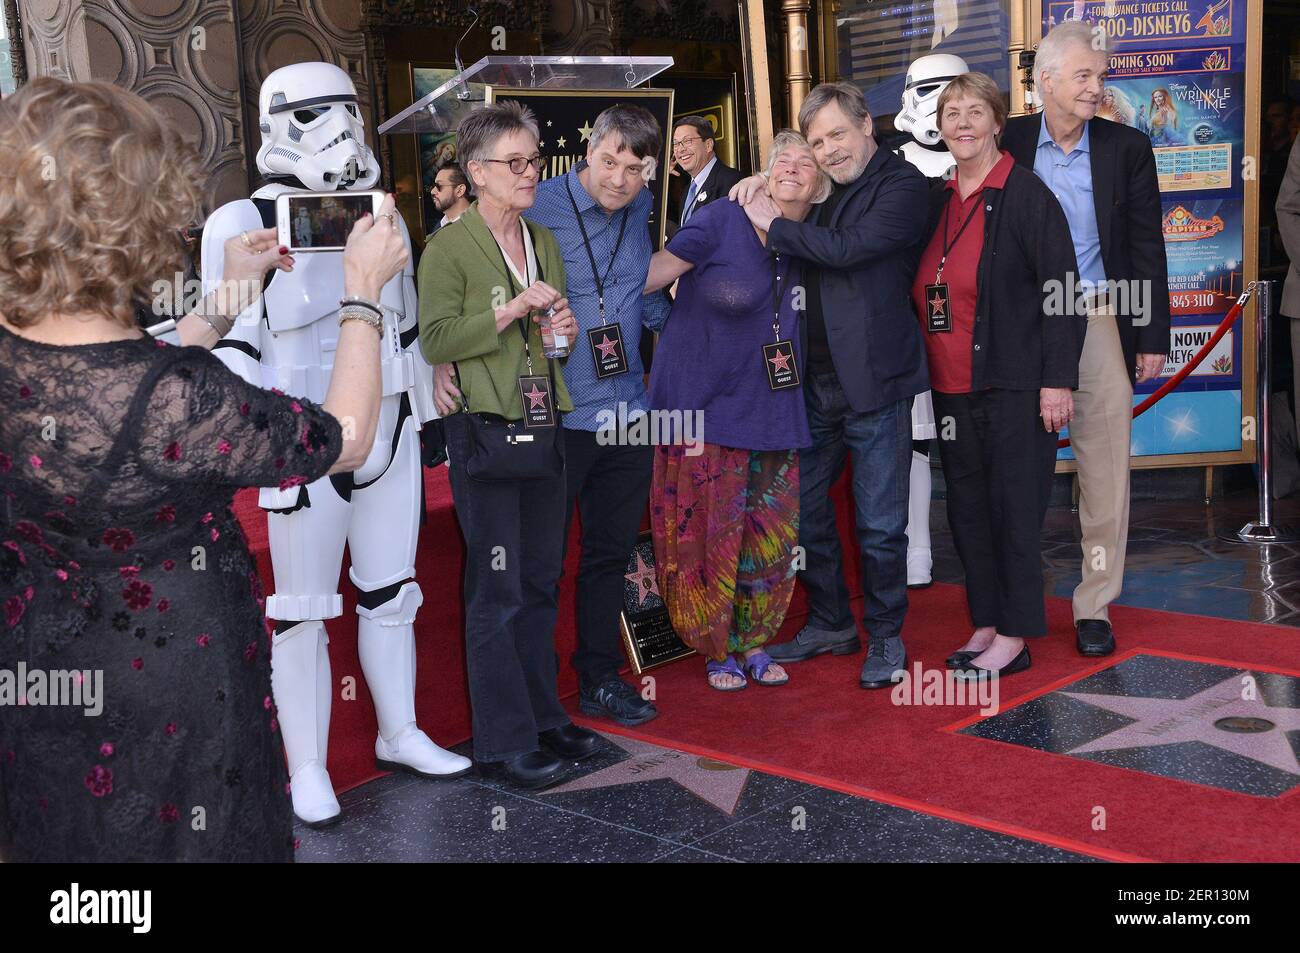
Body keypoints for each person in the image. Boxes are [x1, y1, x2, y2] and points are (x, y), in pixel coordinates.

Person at [0, 77, 407, 861]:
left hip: (38, 695)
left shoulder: (53, 369)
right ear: (141, 212)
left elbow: (117, 382)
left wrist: (219, 304)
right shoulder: (179, 399)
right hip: (171, 721)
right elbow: (345, 437)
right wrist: (362, 294)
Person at [203, 62, 465, 830]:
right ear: (279, 120)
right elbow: (232, 344)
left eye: (351, 111)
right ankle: (309, 766)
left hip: (386, 428)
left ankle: (399, 729)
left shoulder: (381, 210)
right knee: (302, 609)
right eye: (321, 114)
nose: (343, 131)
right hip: (299, 438)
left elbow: (407, 324)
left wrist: (428, 419)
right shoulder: (240, 221)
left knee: (393, 592)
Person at [418, 101, 599, 791]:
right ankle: (503, 738)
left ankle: (545, 716)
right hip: (485, 429)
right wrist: (511, 309)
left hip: (543, 419)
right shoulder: (448, 247)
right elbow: (436, 339)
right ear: (476, 173)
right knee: (496, 587)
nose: (530, 174)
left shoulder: (541, 238)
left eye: (535, 161)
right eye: (515, 163)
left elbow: (550, 338)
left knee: (540, 579)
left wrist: (563, 331)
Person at [730, 82, 930, 689]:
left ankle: (888, 636)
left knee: (878, 521)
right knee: (802, 510)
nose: (828, 150)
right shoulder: (823, 191)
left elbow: (849, 250)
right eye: (817, 142)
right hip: (809, 386)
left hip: (874, 384)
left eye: (837, 134)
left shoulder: (904, 187)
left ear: (867, 125)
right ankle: (830, 622)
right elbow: (788, 192)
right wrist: (753, 186)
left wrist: (770, 221)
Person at [1001, 21, 1170, 657]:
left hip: (1099, 311)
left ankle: (1094, 603)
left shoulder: (1126, 147)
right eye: (1084, 76)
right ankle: (1010, 603)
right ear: (1044, 81)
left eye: (1101, 76)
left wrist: (1150, 330)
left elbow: (1147, 244)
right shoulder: (1008, 141)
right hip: (1021, 323)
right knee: (1016, 467)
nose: (1098, 88)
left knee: (1105, 468)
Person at [912, 72, 1083, 679]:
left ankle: (1016, 633)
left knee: (1014, 509)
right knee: (968, 509)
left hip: (1014, 385)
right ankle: (985, 621)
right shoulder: (935, 198)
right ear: (939, 128)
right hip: (951, 390)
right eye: (950, 112)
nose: (961, 122)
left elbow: (1064, 293)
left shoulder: (1026, 194)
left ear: (997, 122)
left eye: (974, 112)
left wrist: (1057, 380)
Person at [643, 131, 827, 690]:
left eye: (807, 162)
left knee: (768, 533)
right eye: (782, 160)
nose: (793, 168)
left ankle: (753, 640)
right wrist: (664, 333)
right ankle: (714, 646)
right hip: (702, 404)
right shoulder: (721, 217)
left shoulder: (819, 231)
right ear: (765, 172)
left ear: (821, 184)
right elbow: (648, 278)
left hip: (772, 403)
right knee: (707, 532)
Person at [515, 104, 668, 724]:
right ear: (589, 150)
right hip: (560, 412)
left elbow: (637, 294)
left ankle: (601, 675)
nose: (619, 179)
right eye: (609, 161)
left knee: (610, 554)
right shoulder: (536, 203)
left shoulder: (642, 208)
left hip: (630, 409)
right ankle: (536, 692)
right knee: (543, 562)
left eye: (634, 168)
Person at [668, 116, 742, 235]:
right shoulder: (687, 191)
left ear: (708, 145)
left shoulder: (730, 181)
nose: (680, 150)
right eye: (676, 144)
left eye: (687, 141)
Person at [428, 159, 473, 237]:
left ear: (460, 190)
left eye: (439, 186)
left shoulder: (479, 225)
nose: (432, 191)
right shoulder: (438, 227)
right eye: (433, 186)